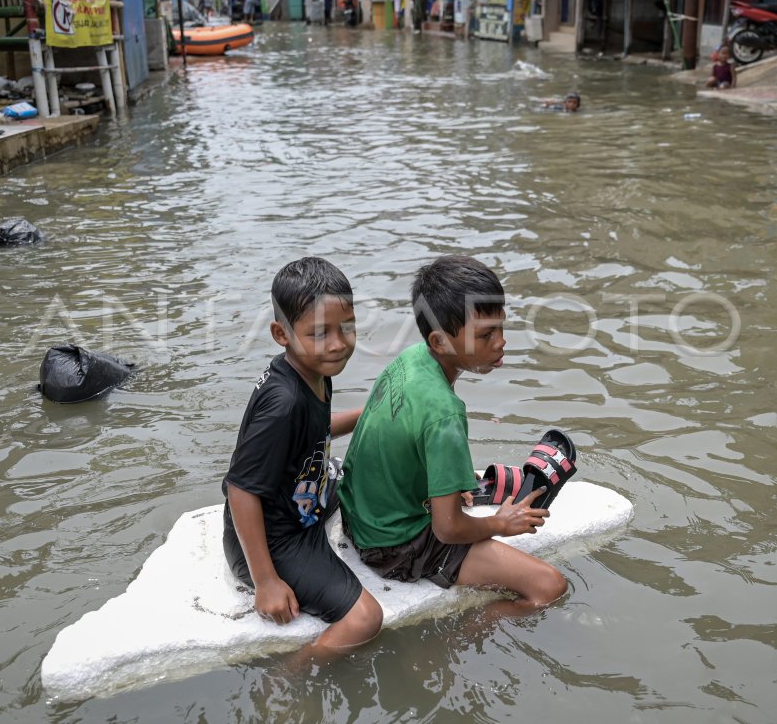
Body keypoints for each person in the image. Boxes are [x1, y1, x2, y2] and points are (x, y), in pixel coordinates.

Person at [338, 255, 568, 619]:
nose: (501, 342)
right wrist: (500, 524)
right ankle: (472, 632)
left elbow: (394, 434)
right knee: (550, 586)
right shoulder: (444, 413)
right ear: (441, 342)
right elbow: (447, 529)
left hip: (358, 518)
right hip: (392, 546)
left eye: (501, 328)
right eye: (486, 335)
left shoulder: (411, 359)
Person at [222, 257, 382, 657]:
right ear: (281, 334)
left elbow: (319, 430)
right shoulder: (284, 402)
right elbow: (240, 489)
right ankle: (291, 678)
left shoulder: (313, 370)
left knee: (365, 473)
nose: (338, 343)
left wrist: (368, 415)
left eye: (346, 328)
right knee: (364, 619)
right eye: (319, 333)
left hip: (303, 501)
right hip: (276, 542)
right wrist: (266, 581)